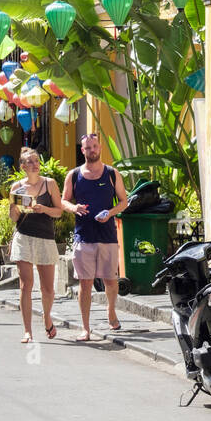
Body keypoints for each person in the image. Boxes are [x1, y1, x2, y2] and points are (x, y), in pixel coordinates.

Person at [62, 133, 129, 339]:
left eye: (94, 146)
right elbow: (63, 201)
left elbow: (124, 201)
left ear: (99, 147)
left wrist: (109, 213)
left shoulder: (111, 173)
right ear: (82, 151)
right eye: (87, 148)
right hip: (84, 236)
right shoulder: (74, 175)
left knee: (110, 280)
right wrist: (74, 208)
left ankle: (110, 311)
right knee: (85, 283)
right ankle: (86, 328)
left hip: (107, 235)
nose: (92, 150)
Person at [8, 148, 63, 343]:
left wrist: (44, 208)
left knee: (48, 289)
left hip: (45, 238)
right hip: (24, 237)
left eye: (36, 161)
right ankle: (27, 331)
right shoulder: (17, 187)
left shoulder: (50, 184)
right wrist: (13, 206)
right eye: (29, 162)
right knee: (26, 285)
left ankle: (47, 317)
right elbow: (14, 218)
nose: (34, 164)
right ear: (22, 166)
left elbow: (59, 212)